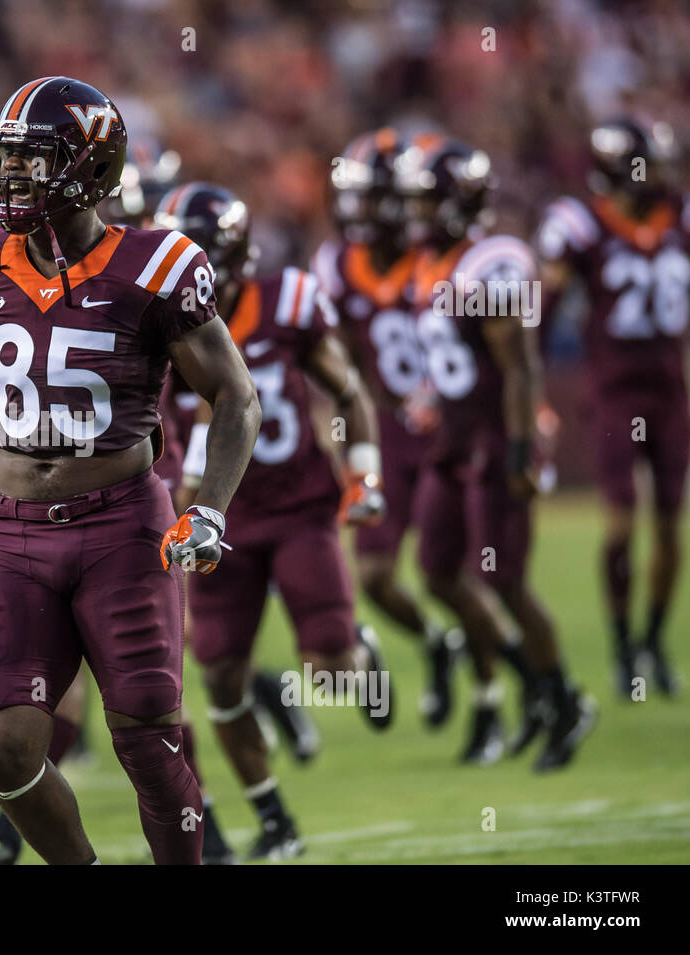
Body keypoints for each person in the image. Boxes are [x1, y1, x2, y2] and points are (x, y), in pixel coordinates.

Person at [0, 77, 260, 865]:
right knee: (2, 744)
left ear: (89, 168)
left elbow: (235, 395)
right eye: (7, 159)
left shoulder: (155, 264)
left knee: (149, 736)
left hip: (122, 523)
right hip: (14, 531)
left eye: (33, 160)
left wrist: (210, 509)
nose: (12, 177)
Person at [163, 182, 393, 860]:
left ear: (234, 258)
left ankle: (359, 651)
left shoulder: (287, 301)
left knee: (327, 664)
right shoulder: (153, 321)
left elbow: (347, 388)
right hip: (217, 517)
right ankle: (275, 819)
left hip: (297, 507)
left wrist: (364, 471)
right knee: (220, 677)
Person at [396, 135, 597, 771]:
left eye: (426, 201)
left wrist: (520, 448)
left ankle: (564, 698)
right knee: (437, 572)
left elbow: (521, 366)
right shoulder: (431, 261)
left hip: (492, 437)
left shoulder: (491, 262)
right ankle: (529, 677)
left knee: (505, 581)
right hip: (451, 438)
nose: (415, 213)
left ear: (458, 202)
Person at [312, 130, 463, 726]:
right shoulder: (337, 265)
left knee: (450, 573)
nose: (360, 210)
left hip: (450, 433)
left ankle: (493, 690)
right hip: (388, 436)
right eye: (355, 196)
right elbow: (342, 373)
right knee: (374, 576)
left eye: (372, 197)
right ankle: (437, 641)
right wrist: (342, 434)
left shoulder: (438, 260)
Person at [535, 117, 688, 698]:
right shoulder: (583, 225)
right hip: (615, 393)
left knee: (669, 524)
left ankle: (654, 641)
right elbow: (544, 308)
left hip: (669, 391)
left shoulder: (678, 217)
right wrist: (533, 386)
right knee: (622, 521)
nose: (660, 177)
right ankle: (625, 647)